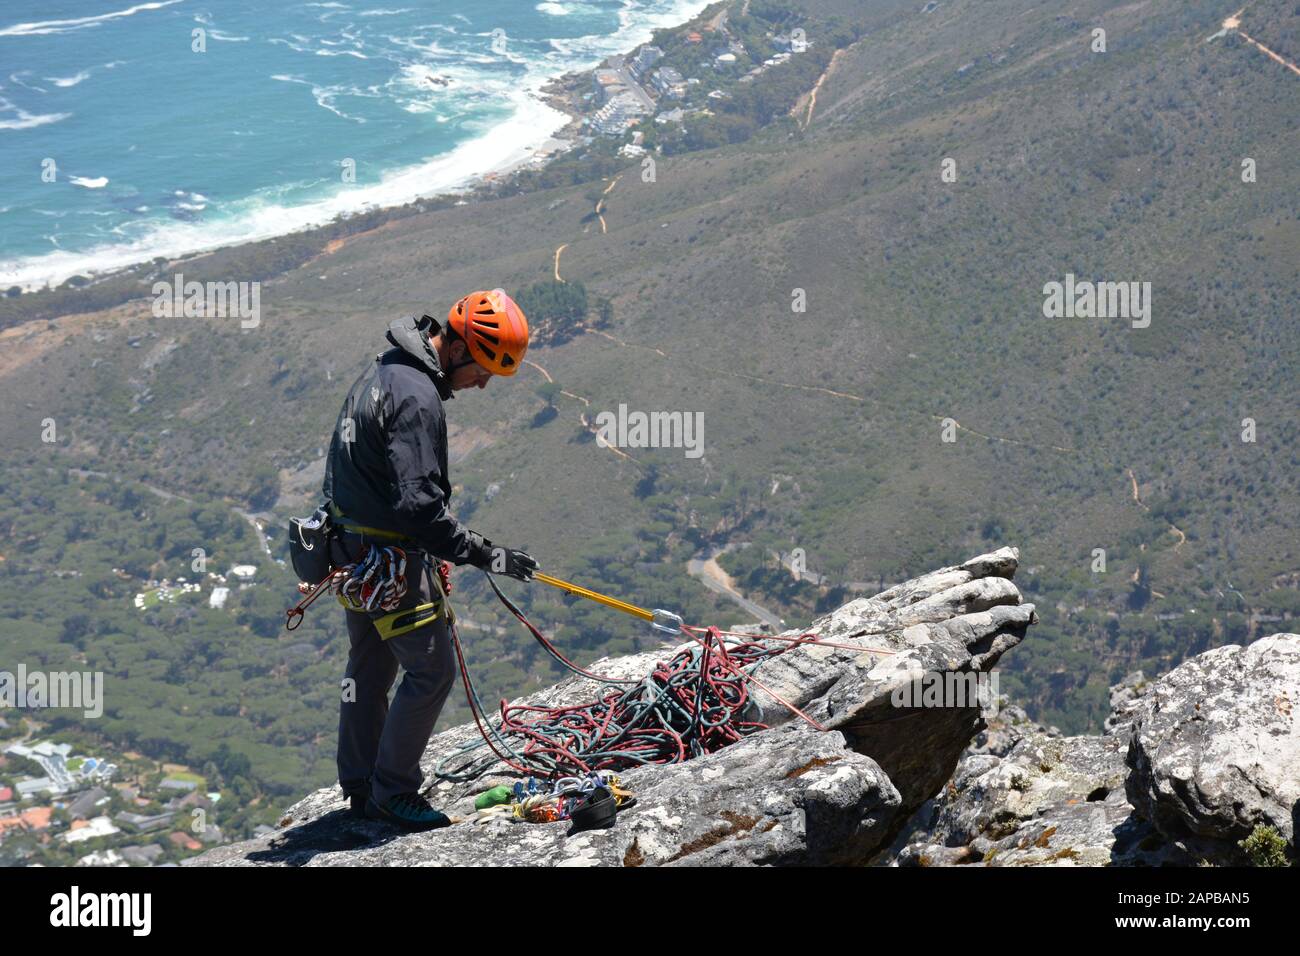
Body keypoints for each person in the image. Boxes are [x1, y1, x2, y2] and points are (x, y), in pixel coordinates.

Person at [321, 289, 539, 830]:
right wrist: (485, 554)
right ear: (460, 346)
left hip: (354, 553)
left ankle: (361, 781)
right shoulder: (416, 396)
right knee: (431, 670)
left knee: (370, 666)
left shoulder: (387, 372)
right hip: (389, 561)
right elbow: (419, 508)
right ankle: (393, 791)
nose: (483, 382)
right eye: (483, 369)